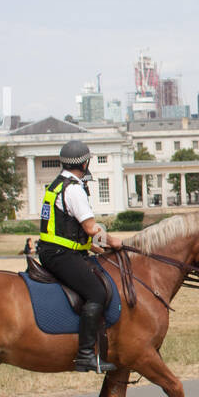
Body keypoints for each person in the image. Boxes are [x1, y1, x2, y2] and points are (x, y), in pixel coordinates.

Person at [37, 139, 121, 373]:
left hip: (52, 250)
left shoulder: (56, 185)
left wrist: (92, 247)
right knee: (97, 292)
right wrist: (116, 242)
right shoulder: (74, 189)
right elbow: (91, 229)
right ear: (84, 164)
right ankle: (85, 355)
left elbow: (67, 227)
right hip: (62, 255)